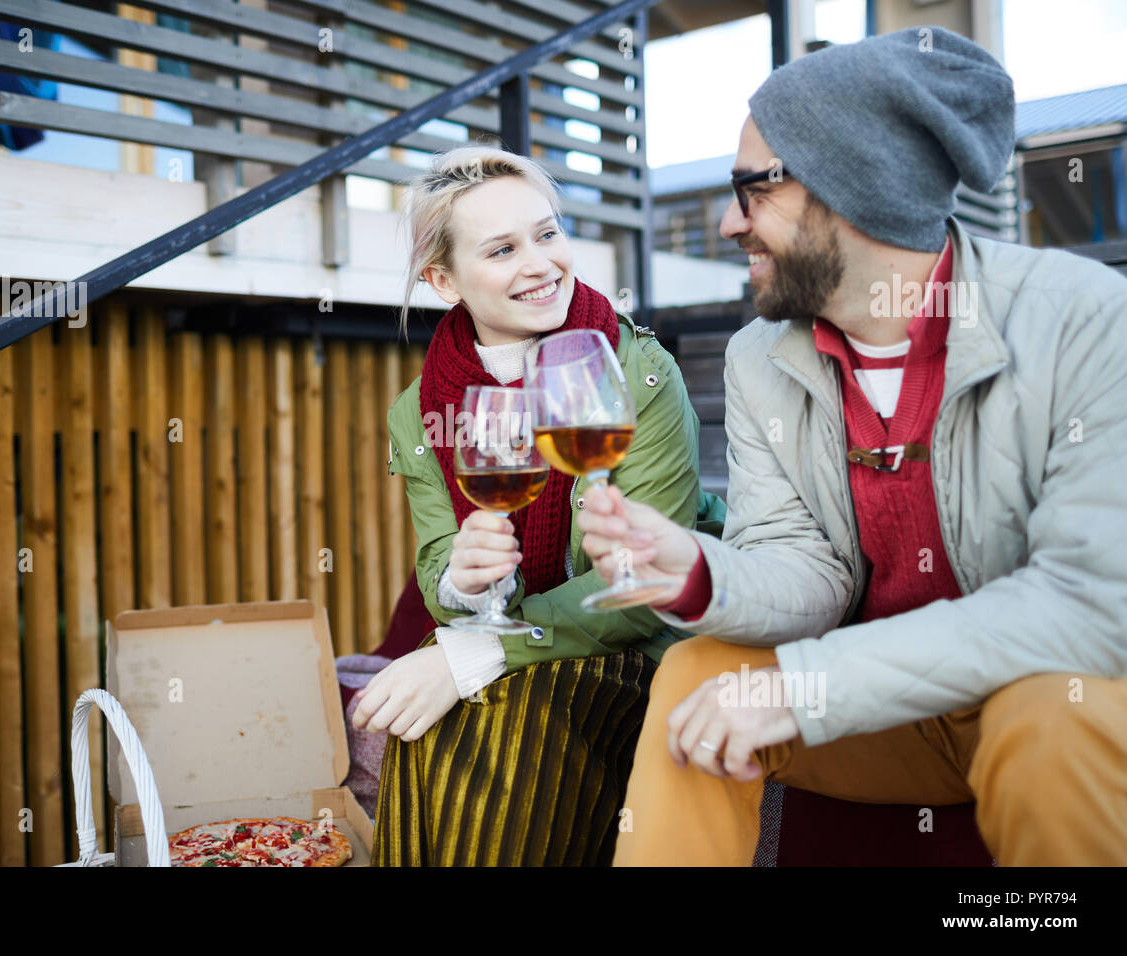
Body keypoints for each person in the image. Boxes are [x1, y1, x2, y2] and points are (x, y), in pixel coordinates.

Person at [577, 27, 1127, 866]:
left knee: (1046, 713)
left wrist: (807, 688)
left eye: (751, 191)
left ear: (851, 185)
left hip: (1048, 701)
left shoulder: (1082, 317)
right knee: (697, 672)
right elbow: (806, 568)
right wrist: (695, 569)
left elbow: (1087, 605)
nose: (729, 223)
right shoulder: (759, 357)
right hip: (891, 720)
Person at [352, 144, 725, 865]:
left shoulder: (638, 373)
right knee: (427, 723)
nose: (541, 263)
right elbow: (437, 572)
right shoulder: (418, 411)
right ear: (443, 278)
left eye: (547, 233)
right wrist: (460, 581)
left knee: (507, 706)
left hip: (643, 645)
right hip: (525, 631)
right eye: (501, 249)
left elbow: (645, 588)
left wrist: (480, 650)